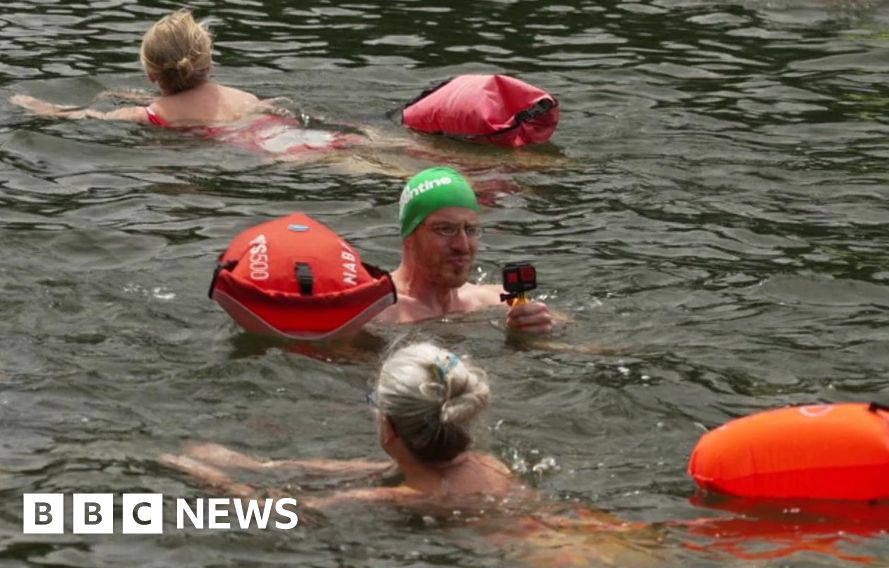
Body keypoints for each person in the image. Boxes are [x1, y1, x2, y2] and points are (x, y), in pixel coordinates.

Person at [160, 342, 518, 506]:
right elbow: (377, 469)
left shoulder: (401, 498)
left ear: (388, 428)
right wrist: (261, 466)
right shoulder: (488, 465)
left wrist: (210, 479)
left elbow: (285, 513)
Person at [9, 9, 362, 155]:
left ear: (152, 75)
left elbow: (90, 117)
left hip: (255, 149)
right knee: (356, 149)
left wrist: (45, 109)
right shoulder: (241, 96)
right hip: (275, 125)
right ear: (207, 65)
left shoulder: (148, 114)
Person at [373, 166, 555, 334]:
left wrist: (533, 330)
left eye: (470, 230)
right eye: (445, 229)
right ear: (409, 236)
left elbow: (574, 337)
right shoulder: (377, 313)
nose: (462, 245)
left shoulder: (493, 302)